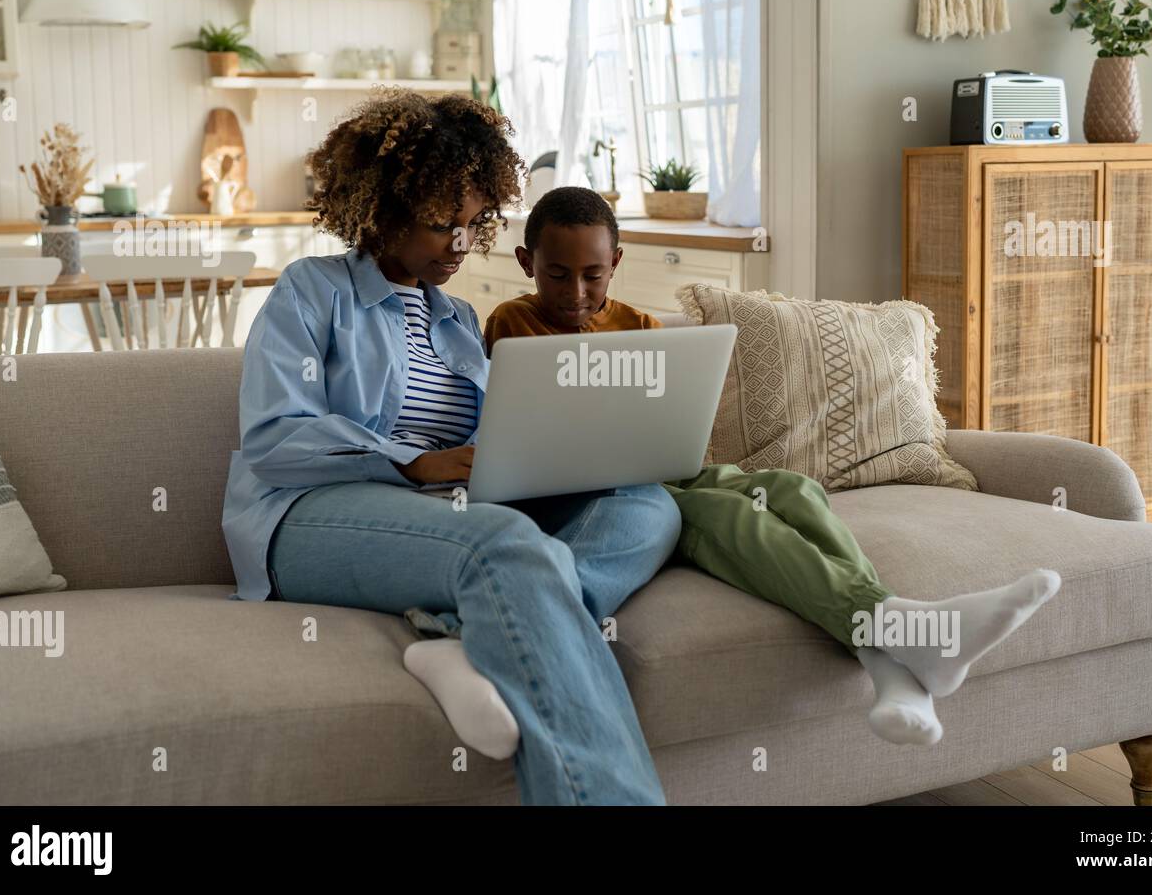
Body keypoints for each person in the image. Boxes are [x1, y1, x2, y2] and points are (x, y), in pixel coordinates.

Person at [221, 92, 680, 805]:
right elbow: (274, 440)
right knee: (501, 544)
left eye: (474, 224)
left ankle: (468, 634)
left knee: (646, 505)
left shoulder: (460, 319)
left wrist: (551, 452)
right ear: (381, 210)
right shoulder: (310, 292)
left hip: (448, 512)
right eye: (442, 224)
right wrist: (407, 459)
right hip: (306, 515)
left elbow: (486, 440)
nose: (461, 245)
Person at [484, 186, 1062, 746]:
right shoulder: (511, 322)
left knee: (793, 490)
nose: (576, 292)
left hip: (658, 469)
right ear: (526, 262)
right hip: (599, 491)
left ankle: (892, 668)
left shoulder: (641, 327)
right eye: (557, 275)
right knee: (734, 520)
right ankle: (899, 642)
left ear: (616, 262)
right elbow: (523, 423)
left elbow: (671, 426)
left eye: (594, 275)